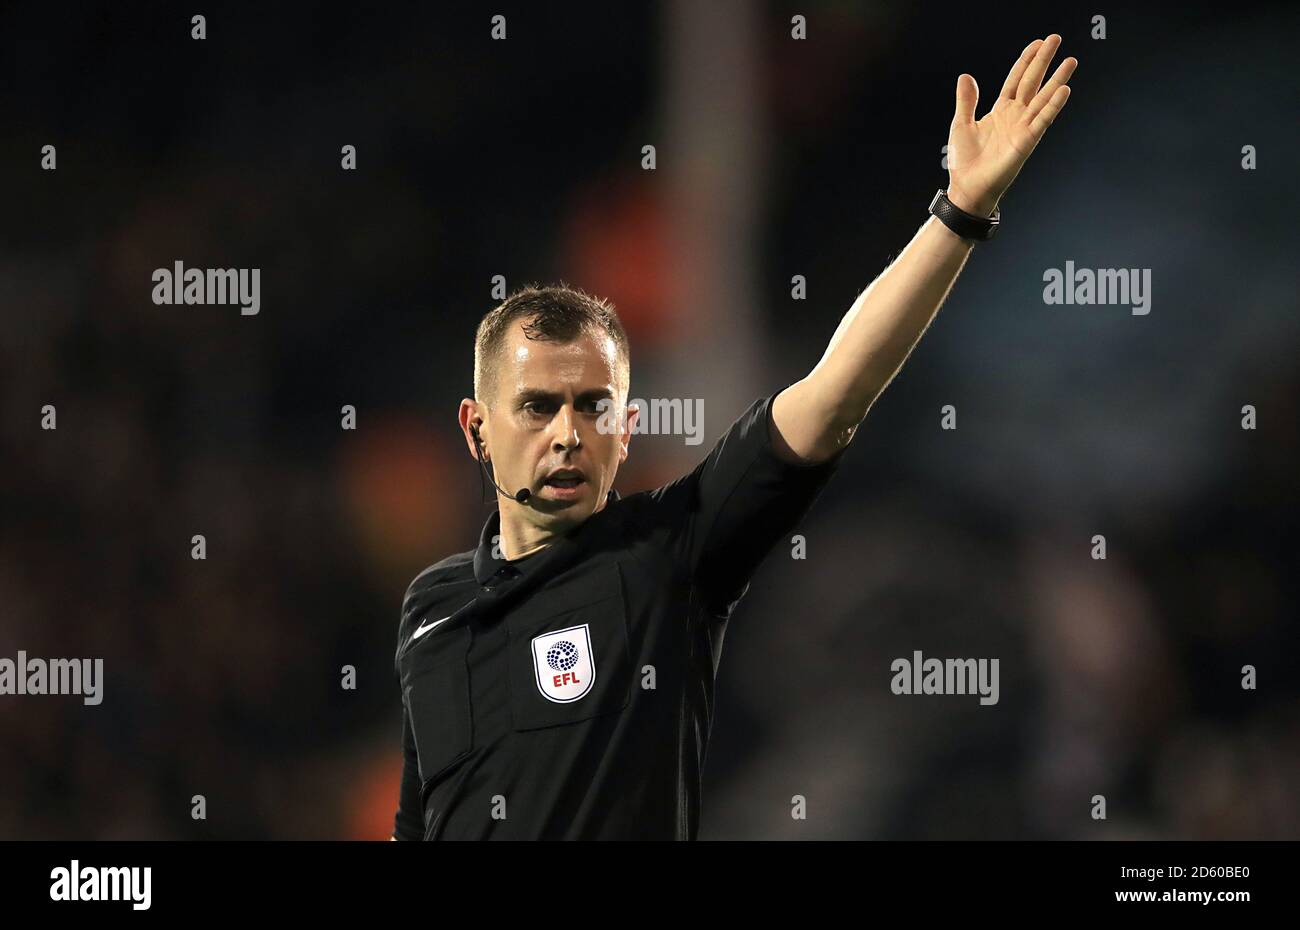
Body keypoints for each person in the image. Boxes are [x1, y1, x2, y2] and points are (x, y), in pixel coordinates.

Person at [392, 35, 1077, 839]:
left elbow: (833, 394)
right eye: (539, 407)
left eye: (596, 409)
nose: (569, 435)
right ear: (477, 427)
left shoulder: (669, 557)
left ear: (627, 430)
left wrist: (958, 214)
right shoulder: (432, 613)